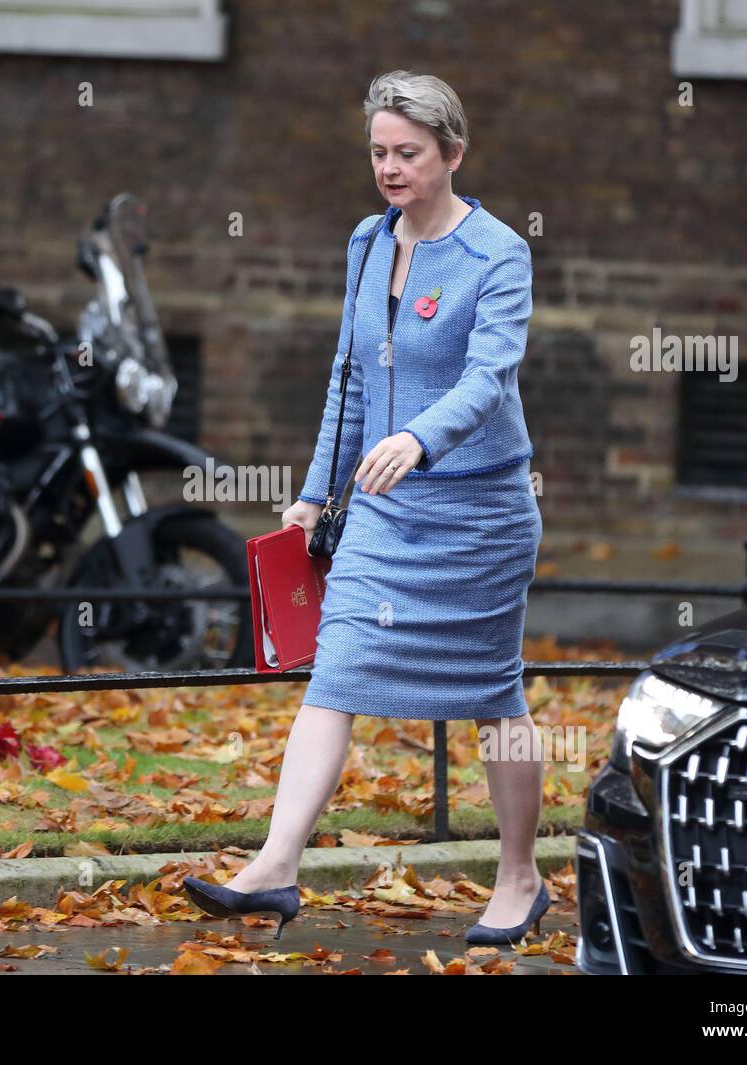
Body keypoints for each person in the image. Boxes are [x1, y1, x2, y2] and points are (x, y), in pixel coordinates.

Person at [184, 70, 548, 944]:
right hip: (382, 513)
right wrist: (314, 495)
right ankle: (274, 866)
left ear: (452, 153)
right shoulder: (366, 241)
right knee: (334, 673)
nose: (389, 168)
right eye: (379, 151)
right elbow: (349, 380)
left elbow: (488, 380)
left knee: (494, 694)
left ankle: (519, 875)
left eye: (408, 153)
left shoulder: (498, 252)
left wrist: (419, 438)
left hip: (479, 514)